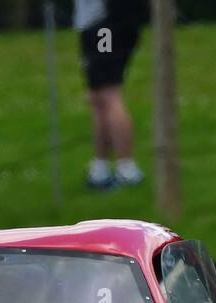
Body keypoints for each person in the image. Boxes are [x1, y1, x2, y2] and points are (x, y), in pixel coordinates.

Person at [76, 0, 146, 190]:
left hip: (103, 28)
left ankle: (127, 169)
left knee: (108, 94)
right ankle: (101, 168)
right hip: (108, 25)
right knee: (98, 97)